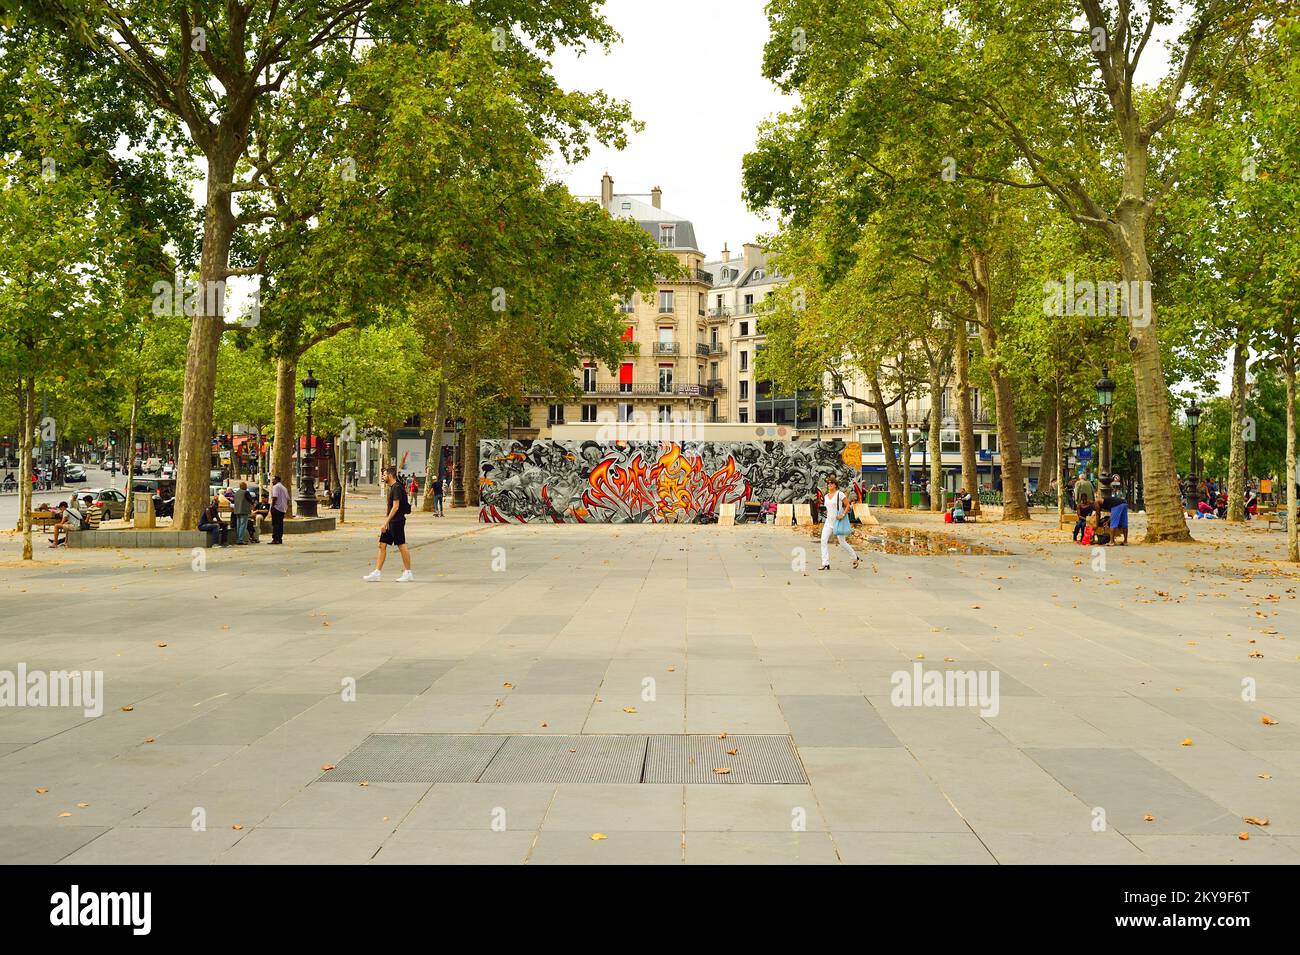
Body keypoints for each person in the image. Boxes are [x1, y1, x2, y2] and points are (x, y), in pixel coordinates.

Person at [364, 465, 413, 582]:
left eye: (384, 475)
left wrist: (385, 522)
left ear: (390, 475)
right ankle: (377, 572)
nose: (383, 476)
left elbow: (396, 507)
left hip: (397, 521)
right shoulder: (394, 487)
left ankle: (408, 572)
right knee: (382, 545)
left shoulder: (396, 488)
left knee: (401, 545)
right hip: (392, 522)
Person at [818, 476, 859, 571]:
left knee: (842, 542)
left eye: (831, 483)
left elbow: (848, 505)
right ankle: (825, 563)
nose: (829, 485)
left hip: (838, 521)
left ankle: (854, 557)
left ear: (835, 485)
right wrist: (825, 513)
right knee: (823, 541)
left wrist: (843, 514)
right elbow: (828, 509)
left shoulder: (840, 494)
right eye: (828, 483)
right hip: (828, 522)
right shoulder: (826, 496)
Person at [230, 479, 252, 545]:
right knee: (243, 525)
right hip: (244, 510)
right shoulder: (246, 492)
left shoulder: (236, 493)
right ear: (244, 486)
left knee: (238, 525)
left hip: (237, 510)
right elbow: (250, 500)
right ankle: (240, 539)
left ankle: (238, 539)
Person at [269, 474, 289, 544]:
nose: (272, 481)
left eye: (273, 480)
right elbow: (287, 498)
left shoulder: (276, 487)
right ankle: (279, 538)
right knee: (280, 524)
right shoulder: (284, 488)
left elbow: (275, 497)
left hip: (277, 507)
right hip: (283, 508)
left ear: (277, 480)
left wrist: (273, 506)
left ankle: (275, 538)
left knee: (275, 524)